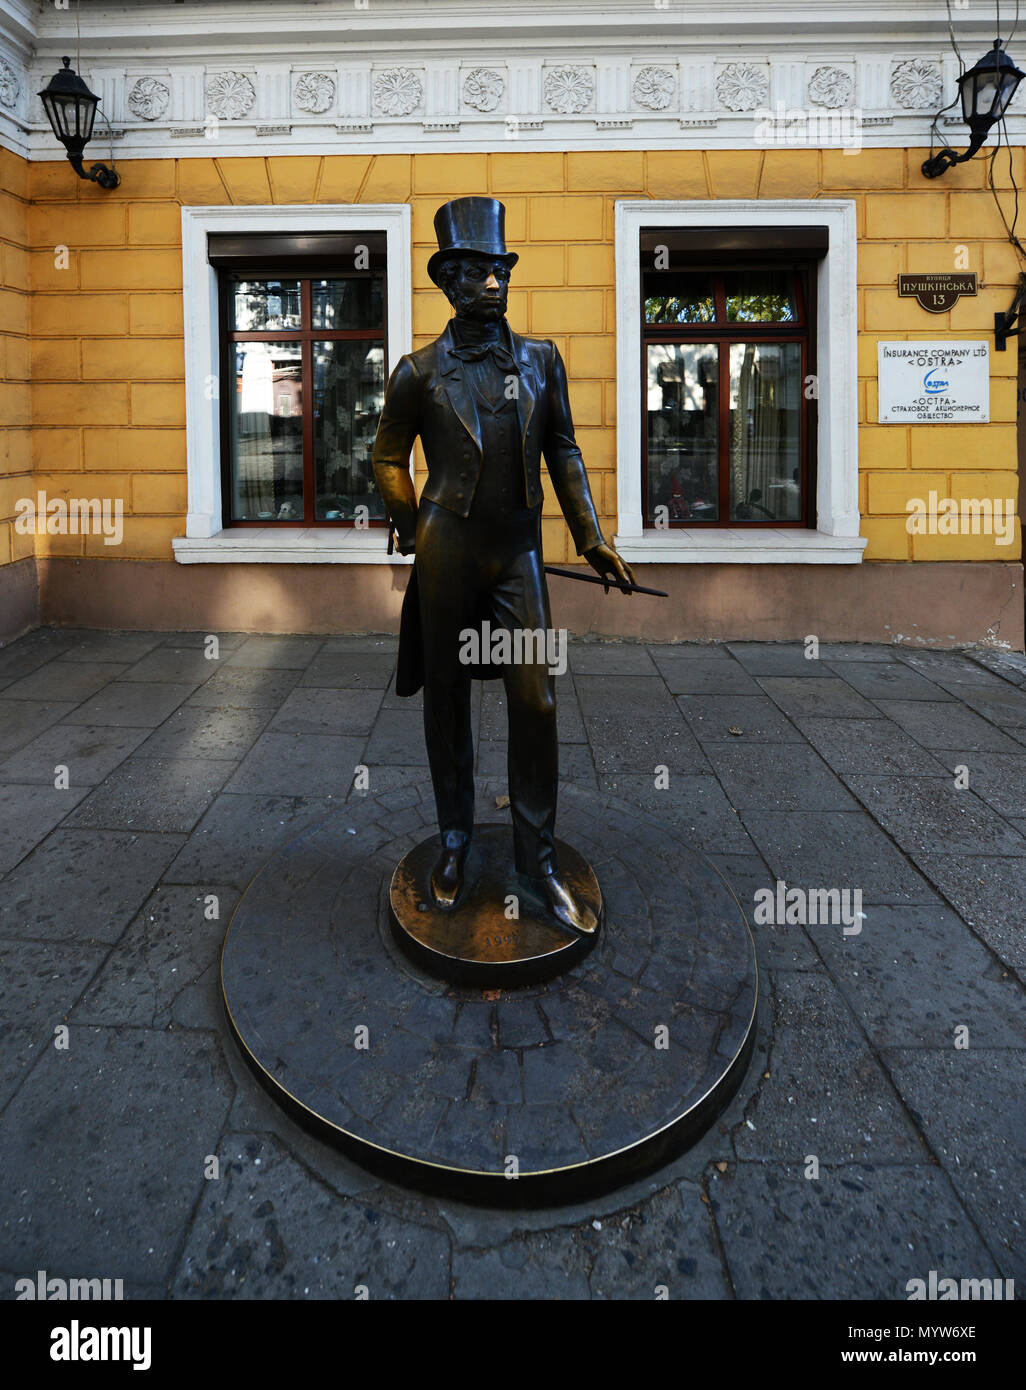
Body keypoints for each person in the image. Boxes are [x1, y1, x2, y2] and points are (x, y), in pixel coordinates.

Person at [372, 197, 635, 935]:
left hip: (518, 551)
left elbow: (564, 452)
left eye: (501, 271)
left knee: (536, 702)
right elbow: (388, 455)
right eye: (481, 273)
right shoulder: (418, 372)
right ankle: (455, 841)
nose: (496, 284)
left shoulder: (542, 360)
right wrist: (403, 524)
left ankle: (536, 858)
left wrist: (590, 537)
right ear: (451, 280)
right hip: (448, 547)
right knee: (447, 699)